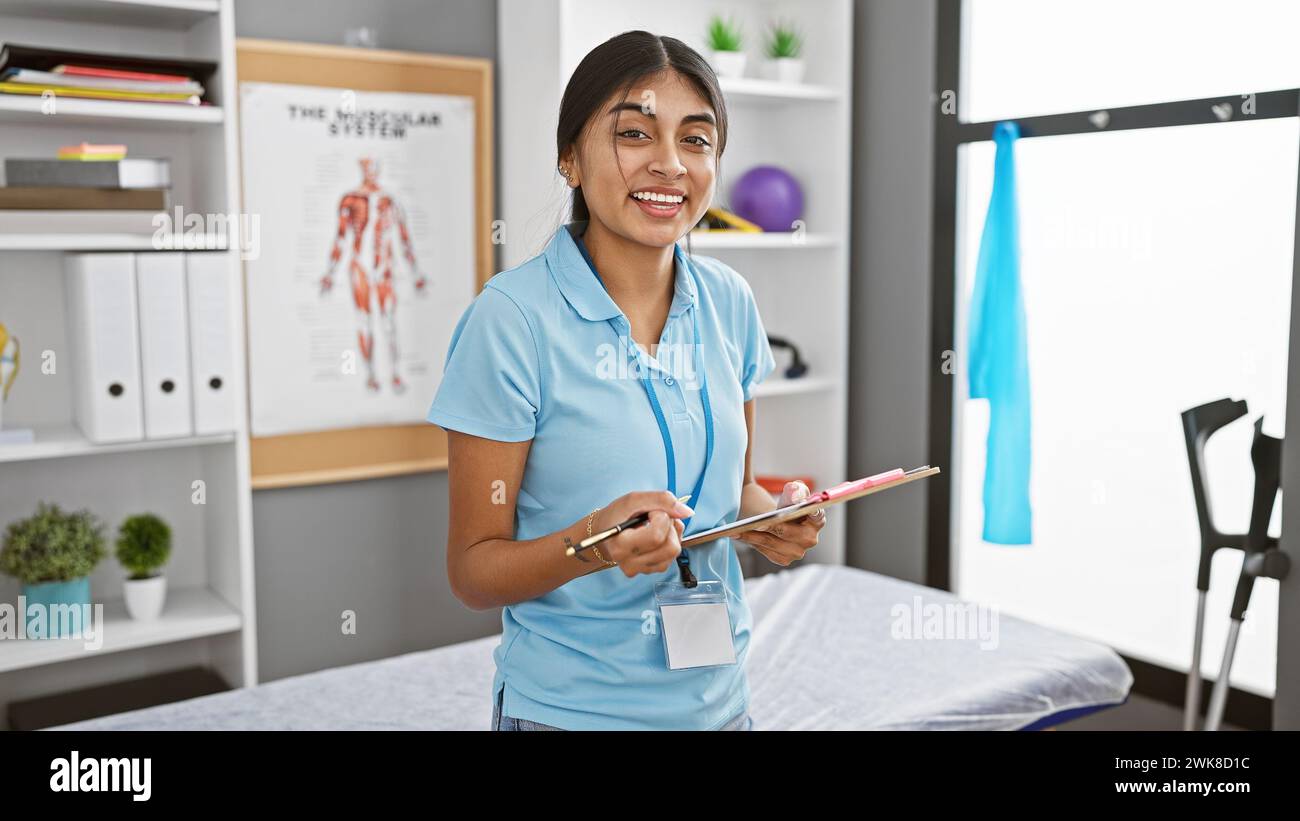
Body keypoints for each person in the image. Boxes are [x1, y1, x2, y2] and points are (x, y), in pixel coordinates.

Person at [426, 30, 825, 731]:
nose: (669, 164)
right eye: (635, 134)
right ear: (570, 158)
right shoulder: (512, 321)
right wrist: (592, 543)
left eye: (696, 140)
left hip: (721, 706)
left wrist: (773, 518)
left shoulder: (731, 301)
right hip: (570, 715)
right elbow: (472, 570)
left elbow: (733, 491)